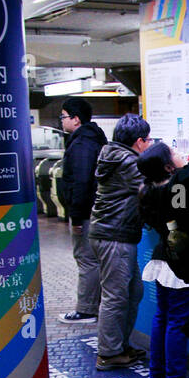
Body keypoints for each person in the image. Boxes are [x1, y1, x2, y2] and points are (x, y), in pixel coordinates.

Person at [137, 141, 189, 378]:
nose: (182, 155)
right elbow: (184, 222)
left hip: (162, 262)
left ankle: (156, 376)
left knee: (163, 317)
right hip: (183, 265)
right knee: (178, 321)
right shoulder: (177, 188)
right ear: (168, 166)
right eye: (177, 154)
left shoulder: (149, 190)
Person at [89, 113, 152, 371]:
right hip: (114, 235)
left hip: (111, 233)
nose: (149, 145)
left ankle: (120, 345)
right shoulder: (129, 161)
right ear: (139, 142)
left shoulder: (114, 154)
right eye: (148, 140)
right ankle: (109, 353)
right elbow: (152, 190)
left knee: (133, 291)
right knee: (116, 296)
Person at [57, 97, 107, 324]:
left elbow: (80, 181)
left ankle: (87, 309)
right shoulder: (90, 139)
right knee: (92, 259)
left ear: (76, 119)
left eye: (64, 116)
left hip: (85, 213)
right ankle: (93, 305)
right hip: (92, 210)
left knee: (86, 259)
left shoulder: (81, 145)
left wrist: (76, 216)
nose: (62, 121)